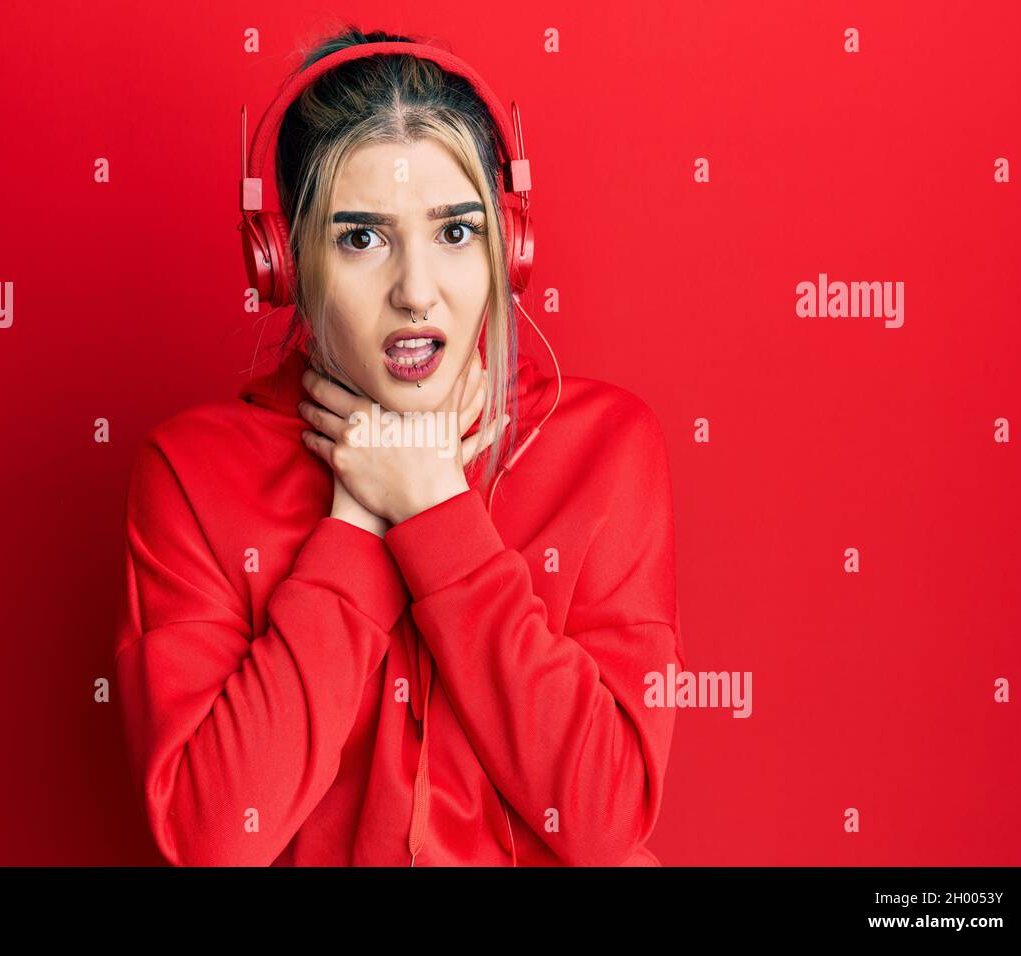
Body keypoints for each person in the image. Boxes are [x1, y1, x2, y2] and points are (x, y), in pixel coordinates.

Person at [114, 24, 685, 866]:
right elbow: (212, 836)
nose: (416, 292)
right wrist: (356, 518)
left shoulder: (607, 449)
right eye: (362, 238)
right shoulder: (191, 474)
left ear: (508, 248)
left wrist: (433, 505)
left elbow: (603, 820)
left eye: (454, 232)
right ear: (284, 266)